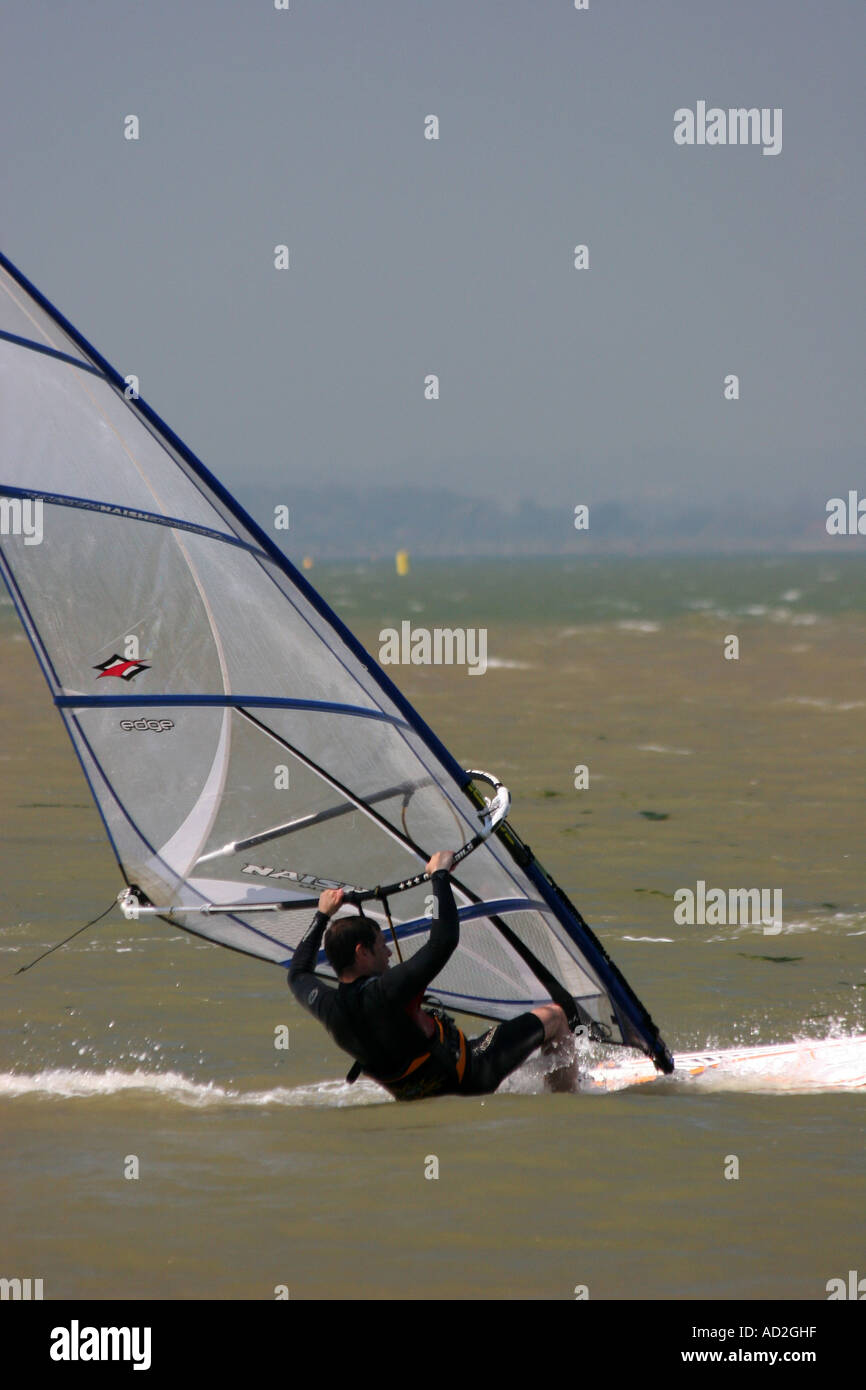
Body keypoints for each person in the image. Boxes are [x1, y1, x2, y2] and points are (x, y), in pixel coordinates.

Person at [288, 850, 579, 1100]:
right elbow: (443, 941)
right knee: (554, 1017)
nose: (389, 954)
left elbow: (297, 973)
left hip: (418, 1093)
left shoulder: (328, 1006)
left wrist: (322, 915)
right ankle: (569, 1098)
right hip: (472, 1076)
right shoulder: (389, 990)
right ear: (362, 952)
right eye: (381, 946)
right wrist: (439, 876)